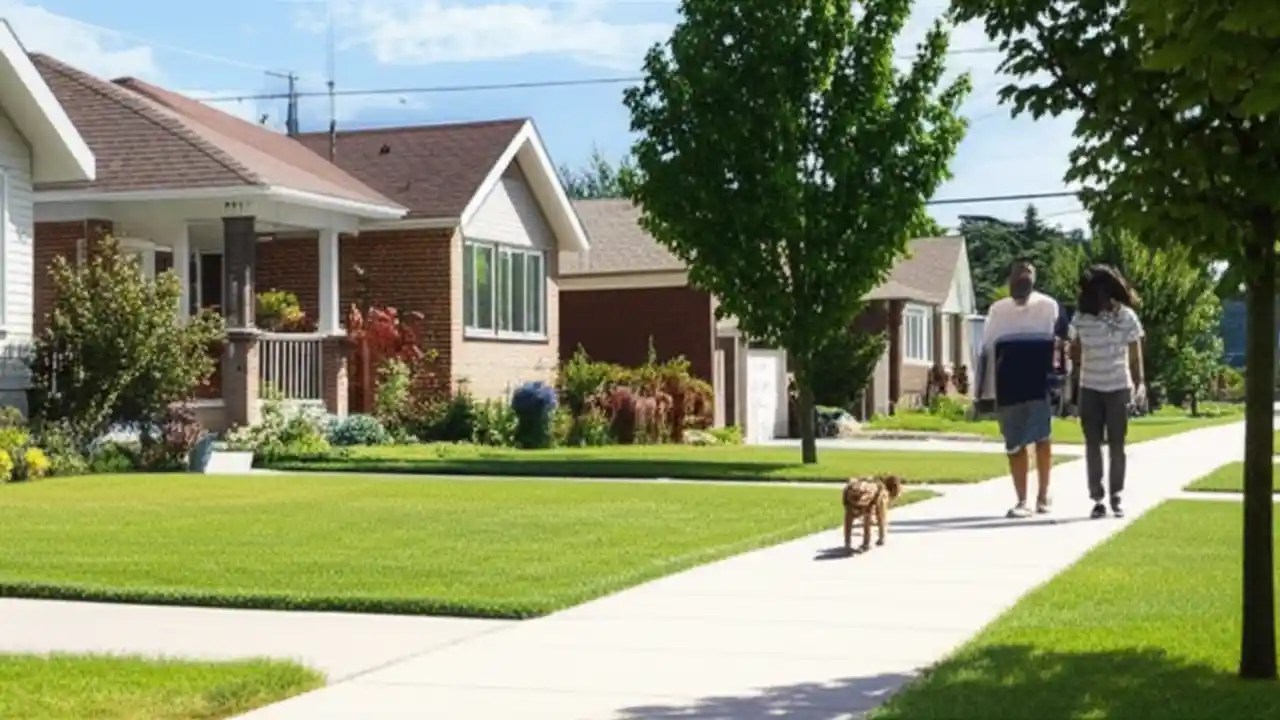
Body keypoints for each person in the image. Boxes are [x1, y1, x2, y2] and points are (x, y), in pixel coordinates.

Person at [976, 260, 1060, 518]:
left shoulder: (1048, 307)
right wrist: (981, 394)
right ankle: (1022, 500)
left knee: (1042, 438)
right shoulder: (998, 310)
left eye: (1027, 277)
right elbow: (986, 351)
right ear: (1009, 281)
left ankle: (1043, 495)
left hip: (1039, 385)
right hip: (1008, 385)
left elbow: (1059, 346)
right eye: (1017, 278)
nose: (1021, 282)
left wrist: (1061, 385)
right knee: (1014, 444)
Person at [1068, 264, 1145, 519]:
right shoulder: (1081, 317)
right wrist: (1072, 350)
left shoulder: (1126, 317)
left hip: (1118, 388)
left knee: (1117, 444)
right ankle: (1097, 497)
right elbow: (1074, 352)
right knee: (1092, 444)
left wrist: (1140, 383)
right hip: (1090, 387)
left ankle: (1116, 495)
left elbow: (1135, 355)